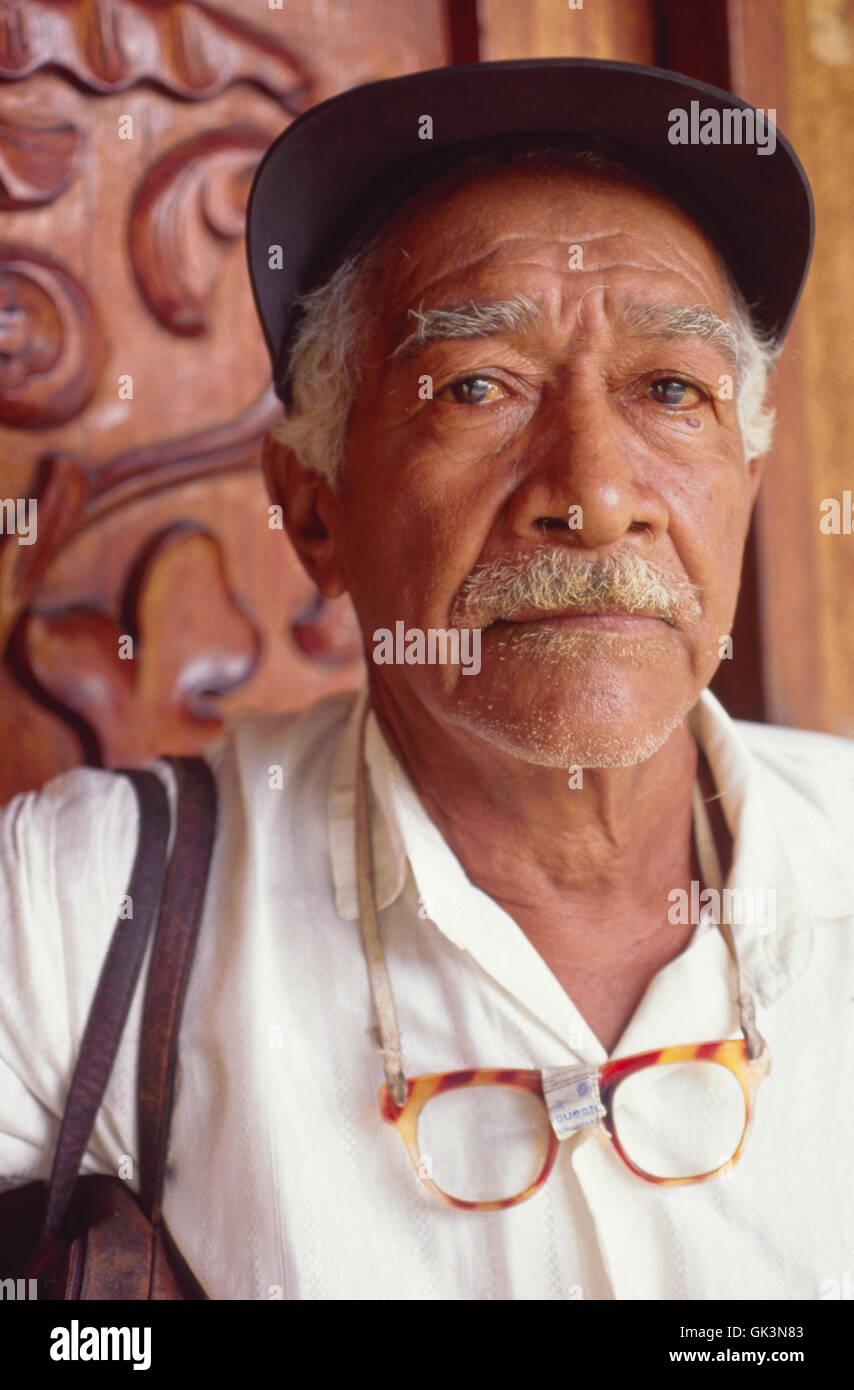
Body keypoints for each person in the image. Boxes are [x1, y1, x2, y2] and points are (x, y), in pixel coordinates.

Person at [1, 59, 851, 1301]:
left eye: (669, 389)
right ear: (314, 512)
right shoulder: (83, 906)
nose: (597, 494)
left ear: (745, 489)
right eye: (475, 388)